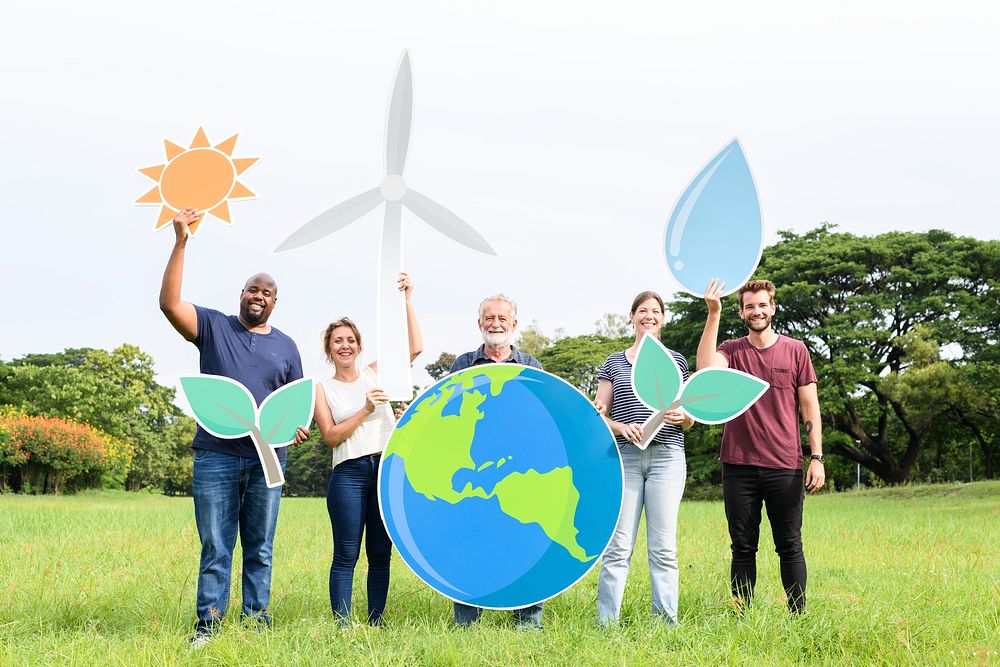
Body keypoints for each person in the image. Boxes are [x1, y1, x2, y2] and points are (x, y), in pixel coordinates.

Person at [159, 208, 310, 645]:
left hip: (267, 460)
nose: (258, 296)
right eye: (252, 289)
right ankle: (207, 625)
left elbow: (295, 404)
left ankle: (256, 624)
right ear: (241, 294)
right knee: (216, 545)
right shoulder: (213, 326)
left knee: (260, 547)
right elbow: (170, 304)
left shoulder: (287, 346)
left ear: (275, 301)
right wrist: (181, 242)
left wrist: (297, 428)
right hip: (216, 455)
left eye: (266, 292)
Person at [697, 278, 824, 613]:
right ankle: (742, 618)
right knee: (742, 546)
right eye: (750, 306)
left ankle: (799, 617)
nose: (757, 311)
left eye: (762, 305)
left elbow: (810, 406)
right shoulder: (732, 350)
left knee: (790, 545)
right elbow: (706, 371)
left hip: (785, 465)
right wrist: (713, 314)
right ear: (741, 312)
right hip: (739, 466)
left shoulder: (796, 350)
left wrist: (817, 457)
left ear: (773, 307)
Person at [313, 273, 423, 626]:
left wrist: (407, 299)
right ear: (329, 349)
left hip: (384, 471)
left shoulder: (376, 374)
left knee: (380, 553)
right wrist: (364, 409)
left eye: (350, 340)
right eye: (337, 341)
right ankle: (342, 625)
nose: (344, 346)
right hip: (348, 474)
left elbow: (415, 347)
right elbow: (330, 436)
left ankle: (376, 621)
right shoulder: (321, 389)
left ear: (359, 346)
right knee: (346, 553)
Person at [594, 291, 693, 626]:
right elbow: (599, 415)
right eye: (642, 311)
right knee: (618, 548)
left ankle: (666, 623)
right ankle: (607, 624)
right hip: (625, 459)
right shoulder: (614, 362)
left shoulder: (676, 361)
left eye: (655, 311)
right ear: (631, 317)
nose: (649, 315)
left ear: (663, 319)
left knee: (663, 549)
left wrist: (685, 419)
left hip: (667, 458)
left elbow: (688, 416)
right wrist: (622, 428)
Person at [448, 293, 545, 630]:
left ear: (514, 324)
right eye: (489, 318)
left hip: (521, 469)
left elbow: (542, 414)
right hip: (475, 469)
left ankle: (527, 619)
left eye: (503, 318)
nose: (496, 324)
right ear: (479, 323)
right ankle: (467, 619)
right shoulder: (462, 365)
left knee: (526, 537)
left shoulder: (531, 366)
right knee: (470, 538)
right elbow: (446, 413)